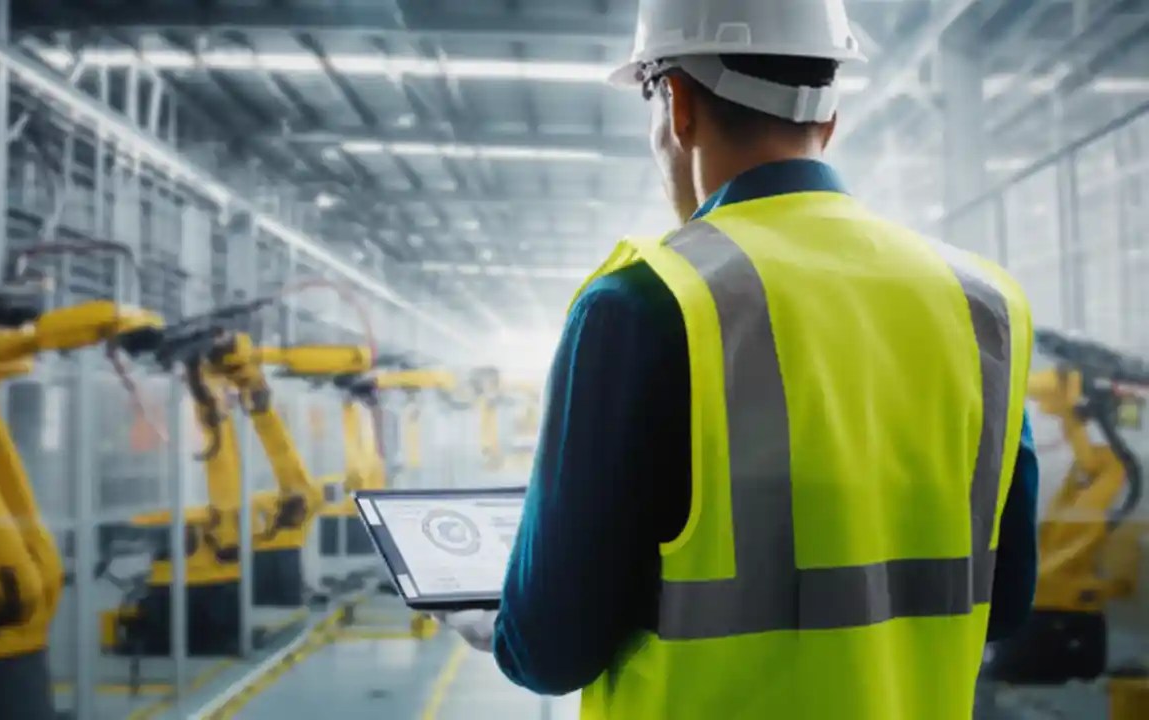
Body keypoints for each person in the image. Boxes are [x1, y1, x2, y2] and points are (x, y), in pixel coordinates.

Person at [441, 1, 1039, 718]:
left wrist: (499, 623)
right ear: (830, 117)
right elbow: (1003, 606)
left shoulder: (645, 305)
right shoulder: (982, 306)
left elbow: (550, 649)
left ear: (677, 103)